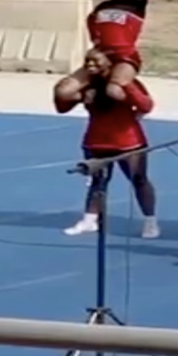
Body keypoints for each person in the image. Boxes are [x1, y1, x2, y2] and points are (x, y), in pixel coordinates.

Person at [55, 49, 159, 239]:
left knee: (139, 180)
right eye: (87, 62)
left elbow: (146, 106)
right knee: (97, 182)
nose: (90, 66)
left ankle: (150, 221)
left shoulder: (127, 83)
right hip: (96, 141)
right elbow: (62, 107)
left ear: (111, 64)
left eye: (96, 62)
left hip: (129, 142)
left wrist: (127, 88)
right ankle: (89, 219)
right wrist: (63, 91)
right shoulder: (87, 85)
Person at [54, 0, 161, 109]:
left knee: (114, 91)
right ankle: (93, 92)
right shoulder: (102, 7)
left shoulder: (135, 3)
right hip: (101, 57)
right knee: (64, 92)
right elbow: (91, 23)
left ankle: (140, 103)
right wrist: (96, 44)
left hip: (125, 56)